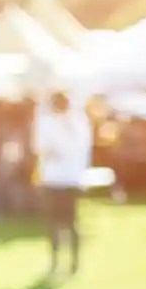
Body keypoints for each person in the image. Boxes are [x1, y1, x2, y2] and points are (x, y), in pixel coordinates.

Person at [32, 91, 92, 275]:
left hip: (65, 179)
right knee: (59, 222)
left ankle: (68, 260)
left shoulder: (73, 123)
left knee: (64, 222)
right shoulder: (68, 122)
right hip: (58, 178)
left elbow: (41, 148)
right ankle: (60, 260)